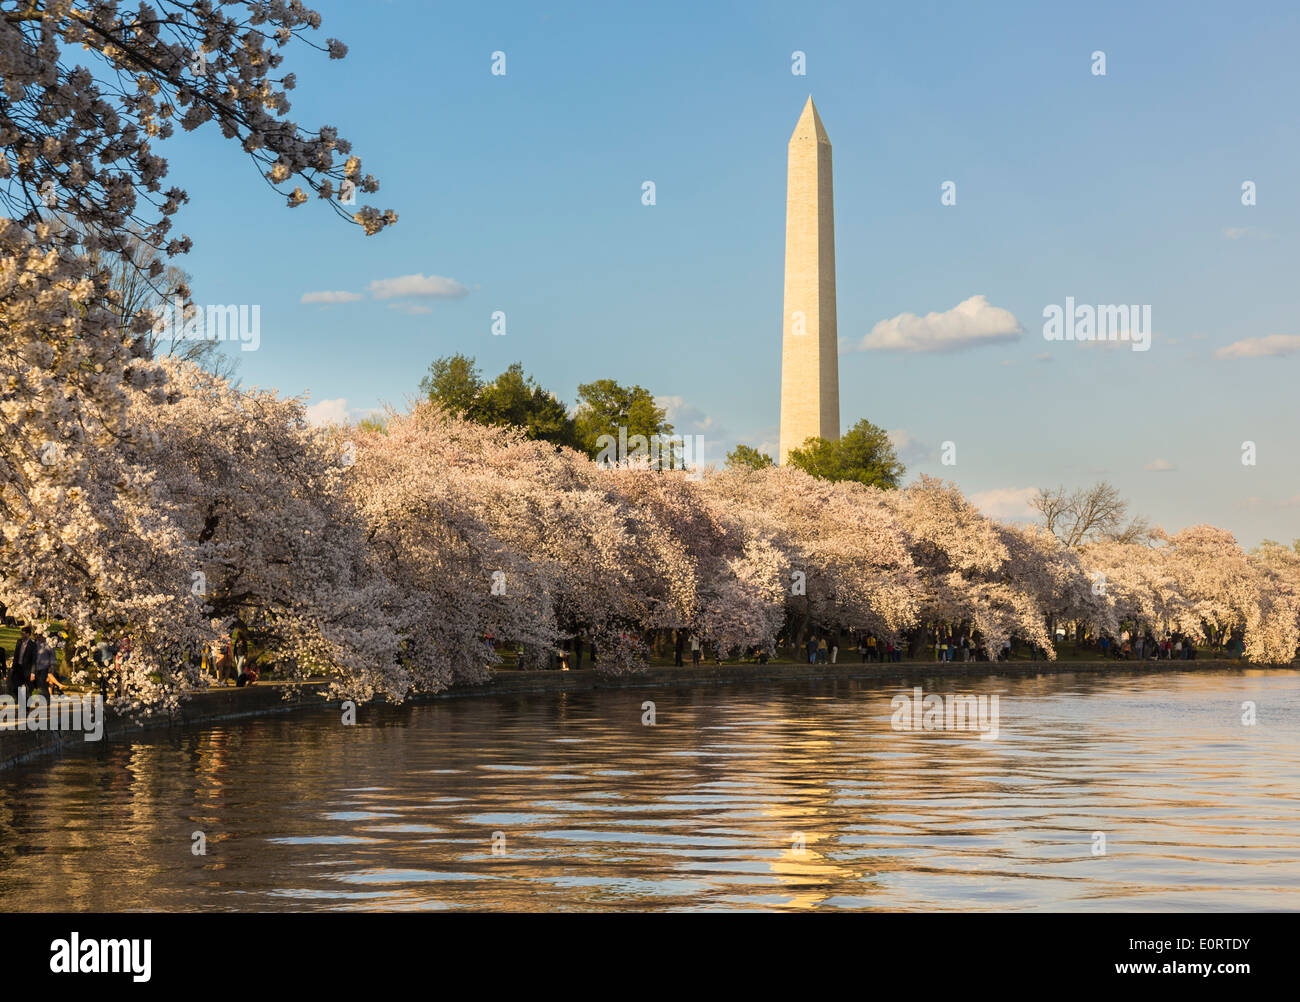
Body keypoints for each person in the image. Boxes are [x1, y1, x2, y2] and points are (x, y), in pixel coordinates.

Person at [11, 626, 37, 700]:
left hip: (27, 670)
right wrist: (13, 667)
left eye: (23, 633)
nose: (22, 635)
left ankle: (26, 707)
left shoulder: (33, 645)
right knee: (15, 688)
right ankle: (22, 701)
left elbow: (34, 660)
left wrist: (33, 673)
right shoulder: (19, 641)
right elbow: (16, 655)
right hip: (18, 668)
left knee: (28, 690)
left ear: (28, 634)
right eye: (21, 633)